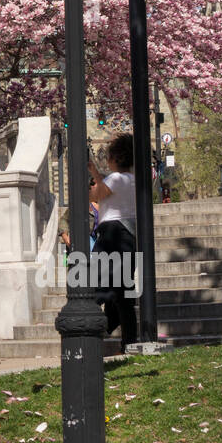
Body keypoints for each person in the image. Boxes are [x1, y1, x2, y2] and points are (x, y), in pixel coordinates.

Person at [88, 132, 137, 350]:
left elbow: (96, 195)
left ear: (116, 158)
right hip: (130, 234)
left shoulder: (116, 178)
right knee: (125, 291)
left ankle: (97, 326)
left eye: (108, 156)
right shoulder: (135, 180)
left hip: (112, 232)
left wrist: (94, 174)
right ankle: (129, 340)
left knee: (96, 278)